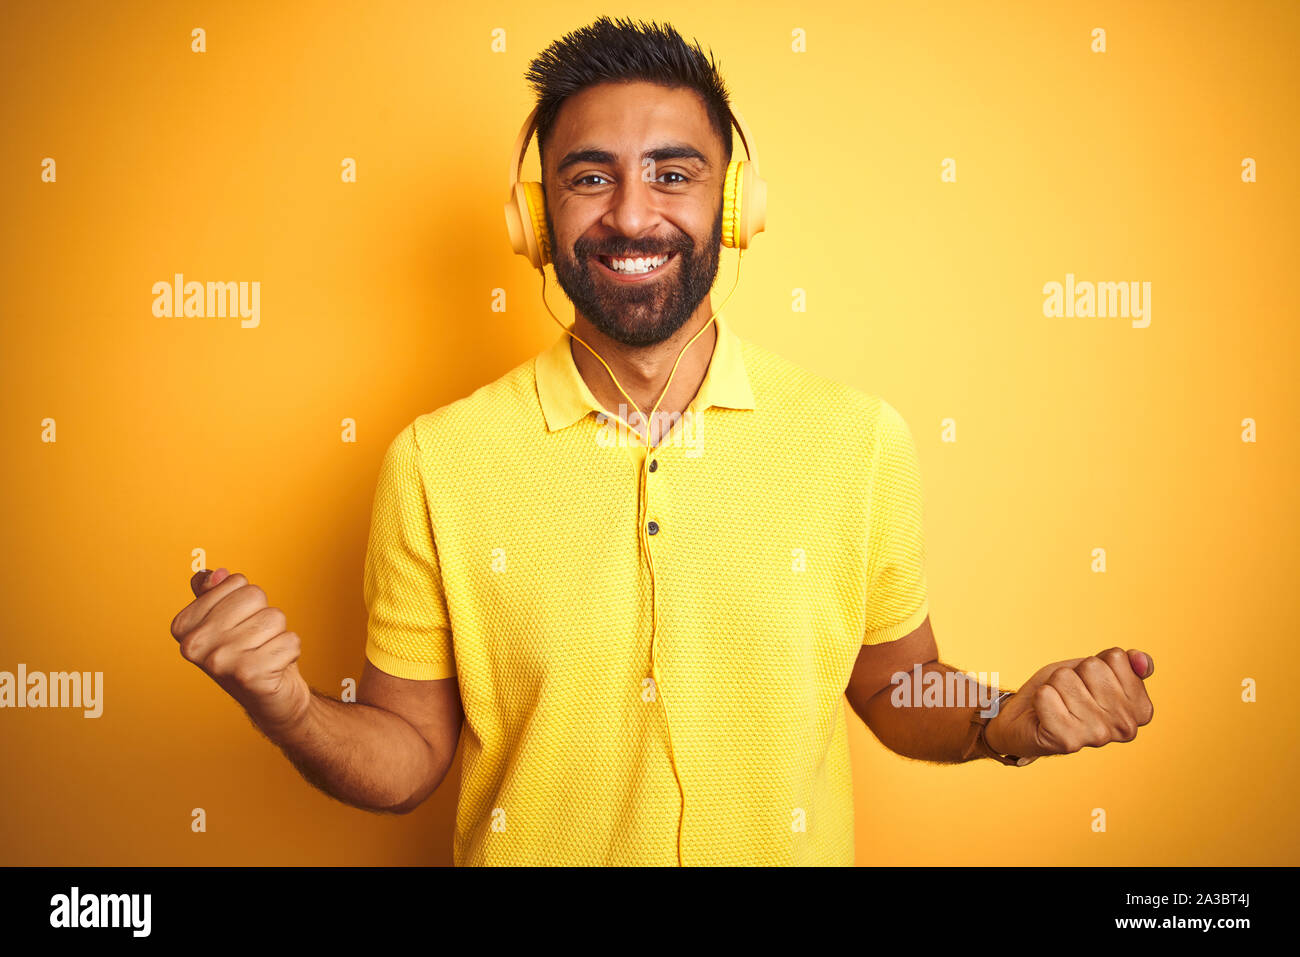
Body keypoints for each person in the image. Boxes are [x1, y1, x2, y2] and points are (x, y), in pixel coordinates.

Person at [168, 16, 1154, 866]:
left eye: (672, 174)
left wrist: (1005, 715)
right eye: (588, 177)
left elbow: (897, 685)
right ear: (535, 218)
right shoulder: (436, 461)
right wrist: (286, 706)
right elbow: (407, 757)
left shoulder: (859, 440)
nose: (631, 213)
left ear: (733, 207)